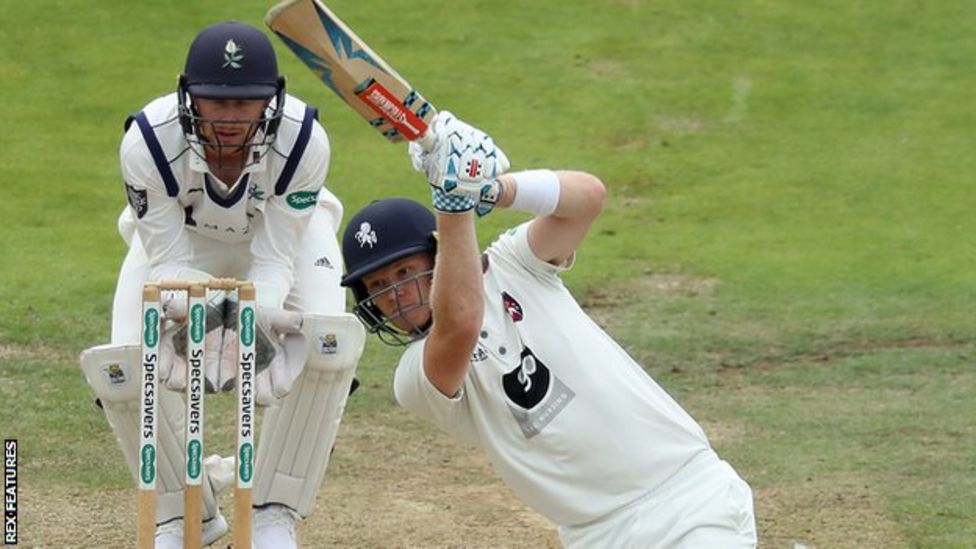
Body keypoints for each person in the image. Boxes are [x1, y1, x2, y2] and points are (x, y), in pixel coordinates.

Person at [339, 112, 758, 547]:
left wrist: (492, 190)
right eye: (378, 285)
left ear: (435, 255)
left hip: (688, 498)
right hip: (594, 536)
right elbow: (460, 323)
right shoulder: (414, 379)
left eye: (404, 271)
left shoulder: (514, 263)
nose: (394, 294)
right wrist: (454, 206)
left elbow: (587, 198)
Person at [83, 21, 351, 548]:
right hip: (181, 243)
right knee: (120, 364)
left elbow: (275, 260)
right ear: (189, 96)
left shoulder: (304, 142)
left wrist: (257, 315)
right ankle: (184, 517)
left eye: (246, 103)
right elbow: (168, 263)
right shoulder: (148, 142)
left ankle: (274, 513)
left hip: (281, 239)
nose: (230, 118)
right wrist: (219, 312)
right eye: (215, 102)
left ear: (271, 99)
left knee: (329, 344)